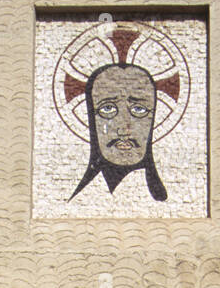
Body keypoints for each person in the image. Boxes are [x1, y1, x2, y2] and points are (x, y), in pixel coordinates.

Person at [70, 63, 167, 203]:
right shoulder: (81, 200)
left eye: (139, 110)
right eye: (107, 109)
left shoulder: (155, 200)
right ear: (92, 118)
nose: (123, 130)